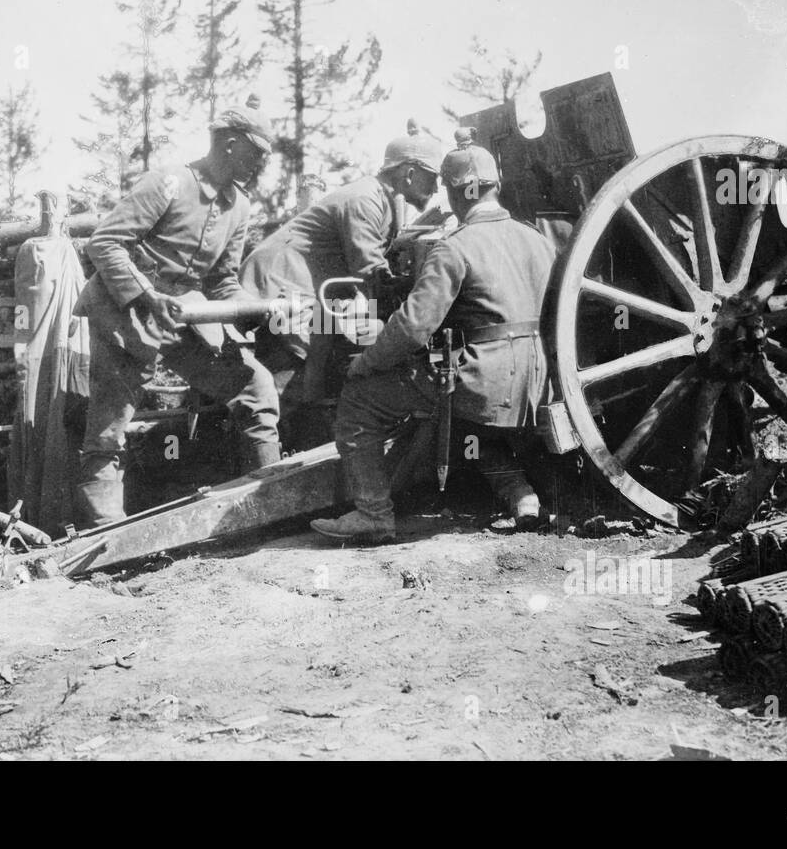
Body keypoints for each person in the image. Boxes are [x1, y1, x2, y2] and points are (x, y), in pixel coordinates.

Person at [310, 128, 555, 541]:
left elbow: (412, 327)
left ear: (456, 194)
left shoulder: (454, 247)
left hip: (484, 380)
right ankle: (522, 498)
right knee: (465, 415)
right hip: (539, 380)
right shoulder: (538, 240)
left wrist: (366, 363)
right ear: (496, 186)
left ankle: (372, 513)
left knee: (360, 401)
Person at [71, 99, 282, 531]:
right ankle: (104, 535)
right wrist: (146, 296)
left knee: (254, 388)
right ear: (228, 143)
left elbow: (222, 279)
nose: (261, 163)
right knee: (111, 426)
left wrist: (251, 309)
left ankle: (272, 503)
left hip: (181, 316)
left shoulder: (238, 207)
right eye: (255, 152)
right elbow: (105, 244)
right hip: (122, 312)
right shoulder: (168, 181)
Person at [240, 121, 442, 445]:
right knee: (293, 368)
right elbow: (370, 274)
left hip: (311, 288)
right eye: (432, 177)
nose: (435, 188)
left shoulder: (382, 199)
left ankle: (291, 444)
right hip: (281, 280)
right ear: (409, 173)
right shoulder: (366, 199)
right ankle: (258, 455)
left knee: (315, 372)